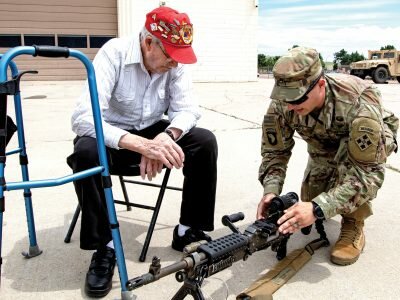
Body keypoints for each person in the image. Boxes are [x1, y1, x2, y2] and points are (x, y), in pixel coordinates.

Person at [67, 6, 217, 298]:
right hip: (115, 135)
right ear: (149, 43)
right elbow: (84, 118)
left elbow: (187, 110)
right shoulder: (114, 54)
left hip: (153, 129)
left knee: (204, 141)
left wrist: (165, 137)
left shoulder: (175, 62)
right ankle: (104, 247)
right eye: (170, 55)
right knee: (85, 153)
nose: (175, 64)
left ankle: (188, 229)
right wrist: (140, 145)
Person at [257, 46, 398, 266]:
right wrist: (271, 190)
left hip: (367, 139)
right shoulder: (284, 102)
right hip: (322, 142)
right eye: (286, 99)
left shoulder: (359, 101)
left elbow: (368, 174)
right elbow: (275, 151)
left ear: (321, 84)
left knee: (339, 188)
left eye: (297, 99)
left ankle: (354, 224)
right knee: (313, 193)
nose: (290, 106)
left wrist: (318, 208)